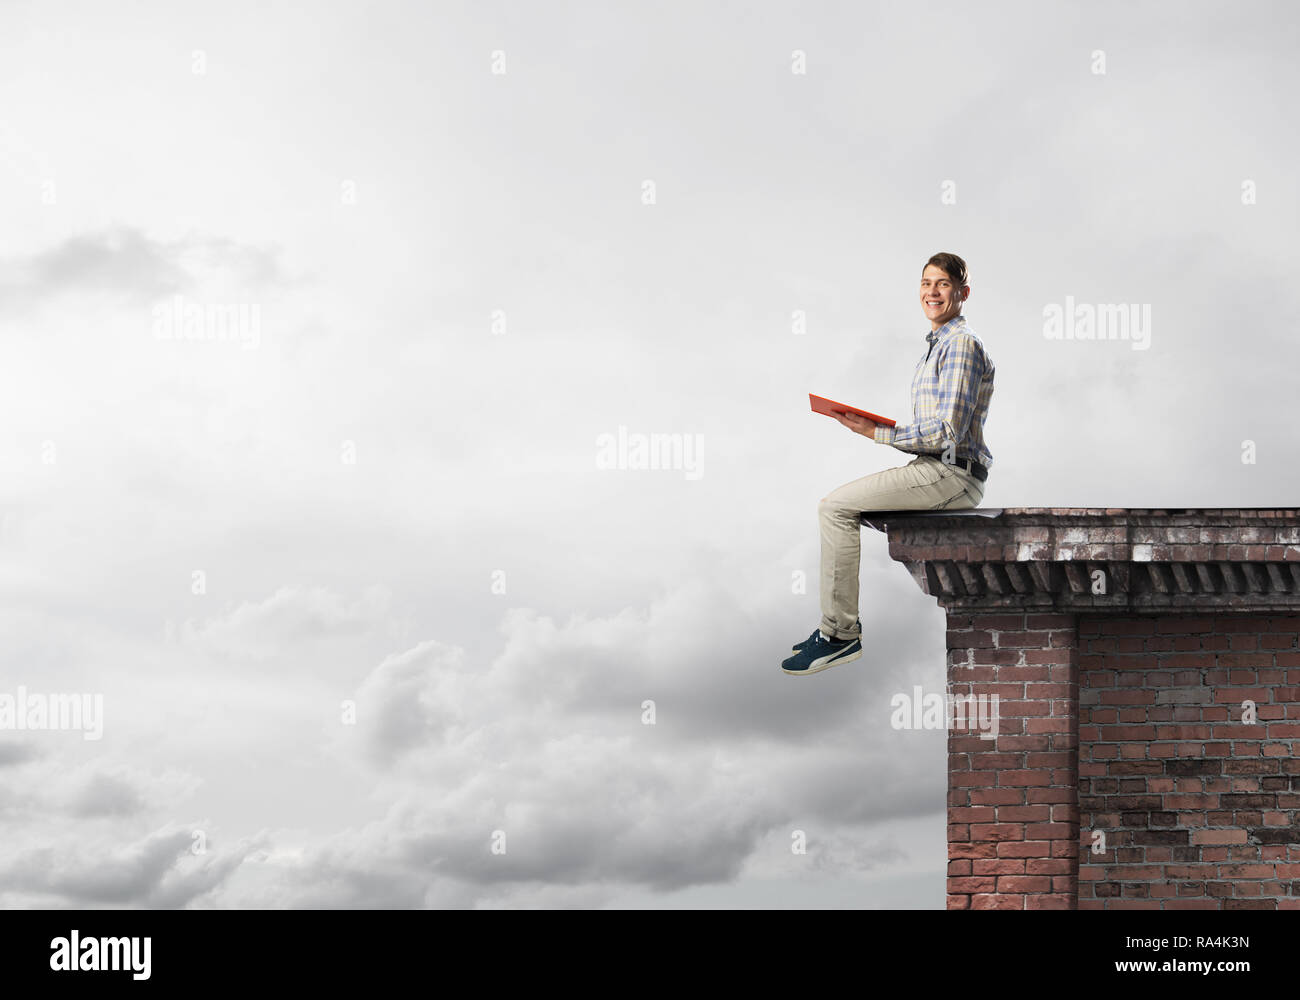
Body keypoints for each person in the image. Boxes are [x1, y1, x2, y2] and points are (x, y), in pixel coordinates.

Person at [782, 252, 996, 676]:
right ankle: (835, 628)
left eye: (943, 284)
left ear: (963, 293)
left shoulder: (961, 345)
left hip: (951, 472)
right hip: (935, 467)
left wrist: (875, 432)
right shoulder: (936, 347)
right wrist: (876, 425)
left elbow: (946, 433)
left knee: (835, 508)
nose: (932, 292)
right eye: (926, 283)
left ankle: (839, 635)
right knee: (841, 507)